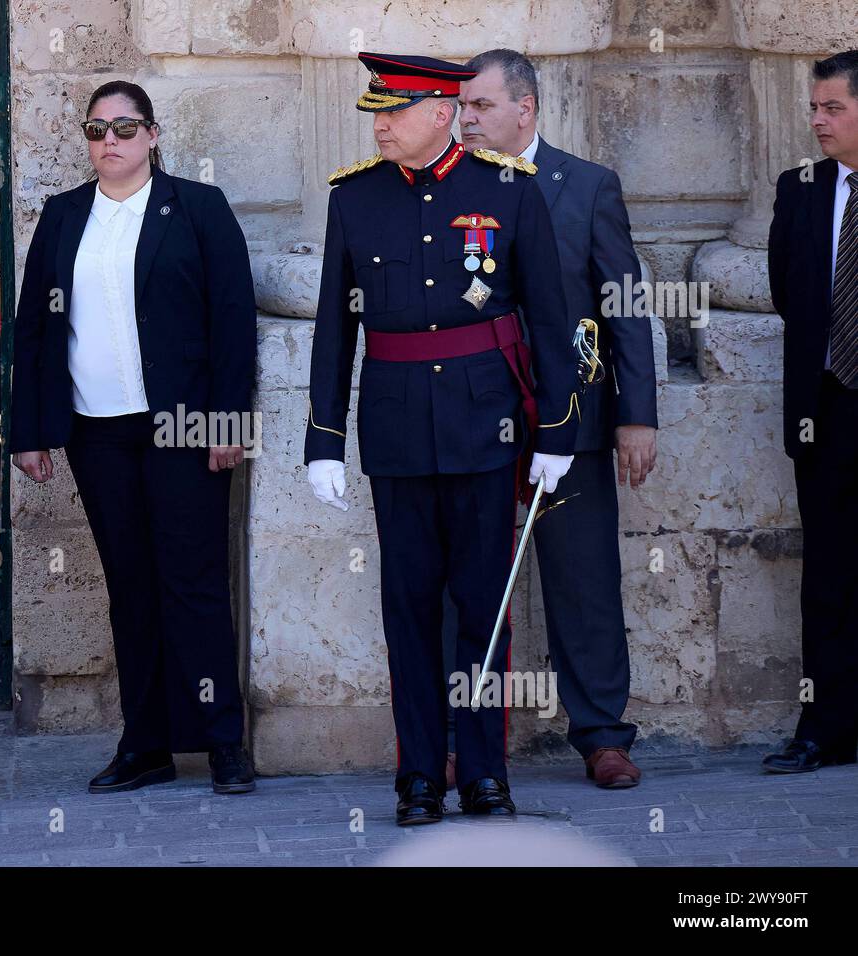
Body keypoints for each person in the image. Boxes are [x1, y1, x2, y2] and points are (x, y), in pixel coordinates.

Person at [305, 52, 580, 825]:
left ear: (440, 111)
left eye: (394, 111)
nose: (380, 124)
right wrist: (323, 439)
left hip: (484, 426)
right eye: (375, 113)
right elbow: (335, 327)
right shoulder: (354, 199)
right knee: (409, 606)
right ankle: (420, 774)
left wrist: (558, 426)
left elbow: (551, 318)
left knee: (482, 606)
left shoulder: (506, 189)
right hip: (395, 429)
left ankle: (485, 772)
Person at [10, 80, 258, 795]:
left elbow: (232, 317)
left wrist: (227, 420)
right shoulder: (62, 218)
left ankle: (222, 742)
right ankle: (145, 744)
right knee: (131, 589)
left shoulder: (197, 208)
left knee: (195, 584)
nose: (109, 141)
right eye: (96, 130)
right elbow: (33, 329)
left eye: (124, 127)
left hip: (183, 430)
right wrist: (29, 430)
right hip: (98, 433)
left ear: (152, 135)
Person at [458, 49, 658, 789]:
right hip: (477, 418)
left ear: (525, 108)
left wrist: (637, 415)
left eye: (480, 105)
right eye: (463, 106)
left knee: (584, 580)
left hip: (571, 417)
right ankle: (462, 735)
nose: (467, 118)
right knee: (471, 580)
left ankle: (603, 734)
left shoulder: (588, 187)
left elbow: (625, 306)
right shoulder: (451, 189)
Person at [764, 49, 858, 774]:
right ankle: (823, 729)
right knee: (826, 573)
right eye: (815, 108)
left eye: (833, 108)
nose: (818, 121)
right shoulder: (799, 188)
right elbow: (784, 290)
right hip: (824, 410)